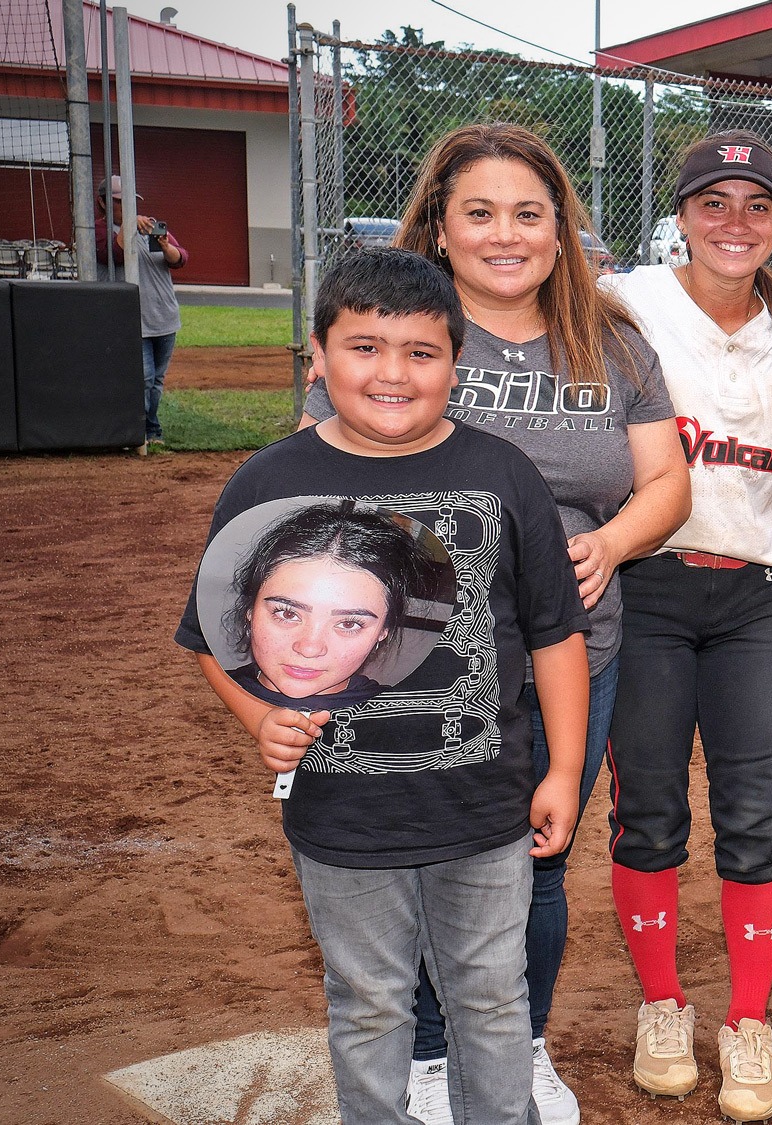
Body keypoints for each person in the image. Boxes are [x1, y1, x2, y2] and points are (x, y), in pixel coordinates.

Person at [302, 122, 690, 1125]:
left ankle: (512, 1046)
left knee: (533, 852)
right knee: (409, 851)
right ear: (438, 224)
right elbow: (318, 486)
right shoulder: (394, 334)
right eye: (479, 213)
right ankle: (431, 1057)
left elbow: (665, 482)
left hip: (568, 650)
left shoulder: (610, 342)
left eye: (529, 214)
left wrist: (613, 545)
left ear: (560, 231)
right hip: (410, 665)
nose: (504, 234)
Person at [178, 248, 592, 1125]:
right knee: (368, 1003)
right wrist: (261, 717)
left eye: (421, 351)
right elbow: (212, 637)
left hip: (484, 805)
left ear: (456, 361)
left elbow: (556, 633)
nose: (392, 373)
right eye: (364, 347)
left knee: (489, 998)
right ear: (318, 357)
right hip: (341, 814)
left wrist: (560, 771)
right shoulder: (269, 482)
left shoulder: (504, 471)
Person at [595, 132, 772, 1122]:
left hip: (755, 600)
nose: (735, 223)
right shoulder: (628, 301)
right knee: (647, 805)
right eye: (713, 203)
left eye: (756, 206)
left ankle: (749, 1021)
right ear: (680, 215)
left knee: (756, 814)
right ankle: (660, 1005)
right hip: (645, 590)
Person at [226, 503, 452, 709]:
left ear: (383, 631)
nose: (309, 648)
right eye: (288, 613)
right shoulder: (218, 690)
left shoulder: (404, 718)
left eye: (348, 623)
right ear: (250, 610)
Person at [99, 175, 188, 453]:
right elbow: (114, 253)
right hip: (132, 321)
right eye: (118, 201)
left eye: (129, 201)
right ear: (103, 203)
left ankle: (150, 427)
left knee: (156, 380)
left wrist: (164, 244)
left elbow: (181, 258)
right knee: (144, 379)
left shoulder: (149, 226)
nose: (126, 206)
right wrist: (128, 225)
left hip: (163, 317)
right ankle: (137, 430)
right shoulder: (100, 230)